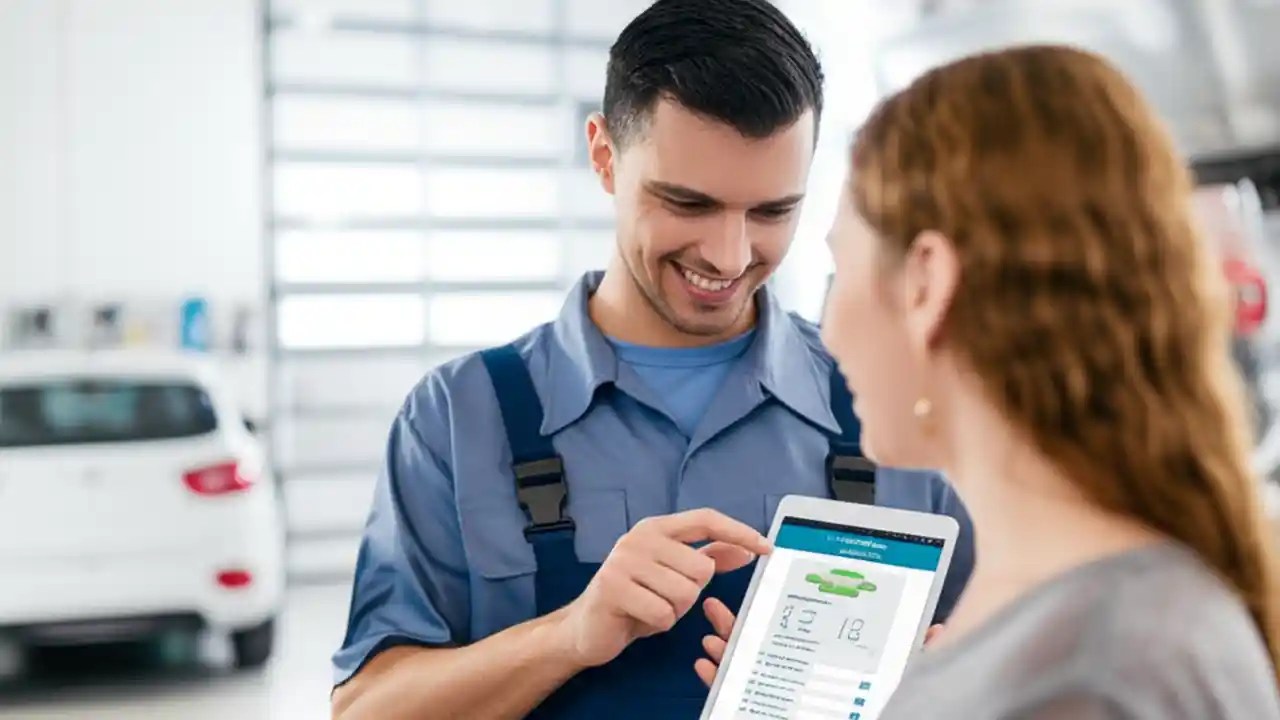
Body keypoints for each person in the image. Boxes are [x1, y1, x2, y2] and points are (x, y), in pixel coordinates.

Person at [329, 1, 975, 718]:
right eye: (688, 204)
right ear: (604, 156)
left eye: (770, 212)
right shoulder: (458, 418)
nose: (729, 257)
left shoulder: (899, 409)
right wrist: (567, 636)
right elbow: (366, 709)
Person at [698, 44, 1280, 718]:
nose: (827, 333)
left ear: (926, 283)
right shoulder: (1069, 620)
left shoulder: (1095, 666)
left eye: (841, 272)